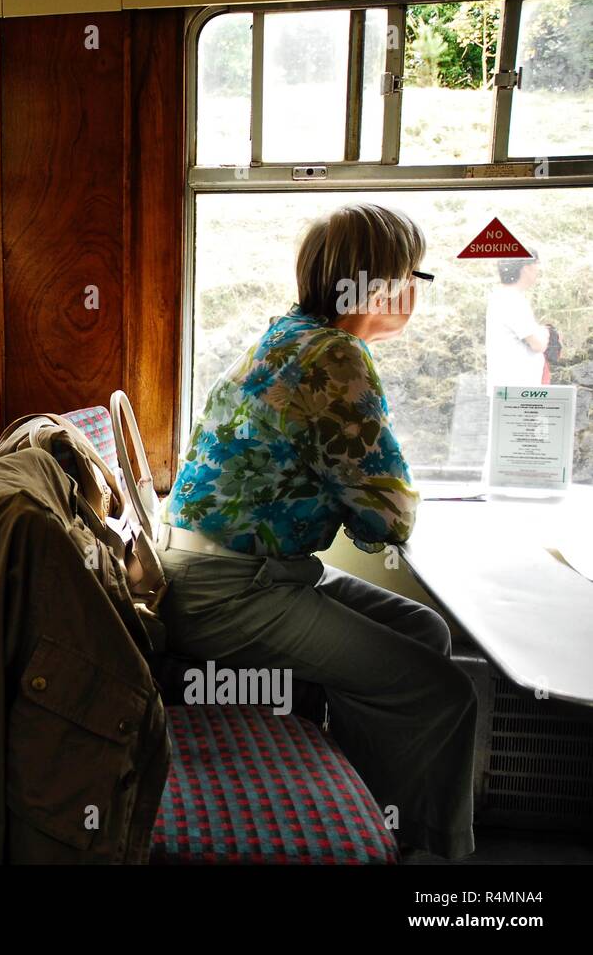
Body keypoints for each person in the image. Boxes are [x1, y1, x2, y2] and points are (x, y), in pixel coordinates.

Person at [160, 203, 477, 859]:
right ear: (378, 282)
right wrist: (378, 509)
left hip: (232, 572)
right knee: (442, 691)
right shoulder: (335, 357)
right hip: (231, 592)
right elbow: (388, 515)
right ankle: (426, 852)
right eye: (413, 275)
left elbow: (365, 499)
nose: (416, 292)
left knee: (426, 631)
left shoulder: (289, 334)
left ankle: (375, 802)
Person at [486, 252, 556, 388]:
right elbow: (538, 344)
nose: (538, 270)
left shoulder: (502, 296)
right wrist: (545, 333)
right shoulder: (512, 300)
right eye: (537, 264)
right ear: (526, 267)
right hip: (517, 391)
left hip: (511, 388)